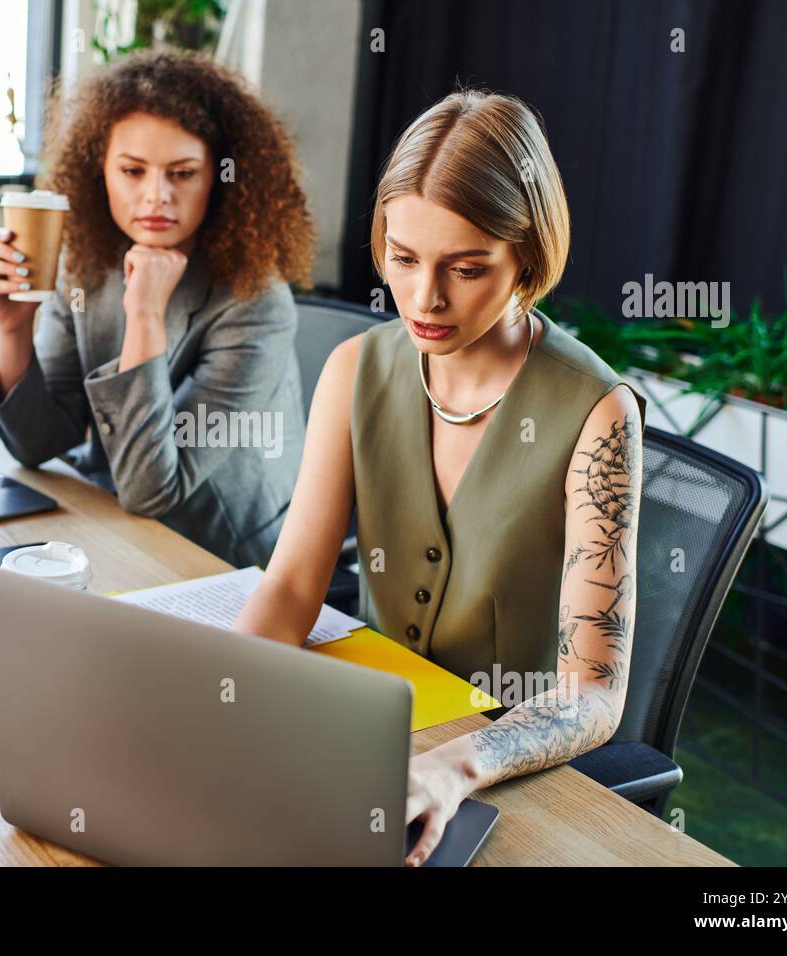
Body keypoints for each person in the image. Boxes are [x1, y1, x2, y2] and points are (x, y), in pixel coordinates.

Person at [233, 89, 647, 865]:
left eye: (465, 268)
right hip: (376, 737)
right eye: (403, 257)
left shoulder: (600, 412)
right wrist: (223, 693)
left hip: (508, 770)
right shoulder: (356, 369)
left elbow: (593, 690)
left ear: (528, 255)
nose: (424, 298)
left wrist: (453, 766)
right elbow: (292, 587)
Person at [0, 50, 316, 567]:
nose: (155, 196)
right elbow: (38, 444)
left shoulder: (256, 301)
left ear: (219, 178)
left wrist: (145, 315)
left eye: (182, 173)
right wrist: (13, 331)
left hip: (221, 556)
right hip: (111, 527)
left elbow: (152, 489)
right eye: (132, 171)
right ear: (100, 172)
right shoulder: (83, 264)